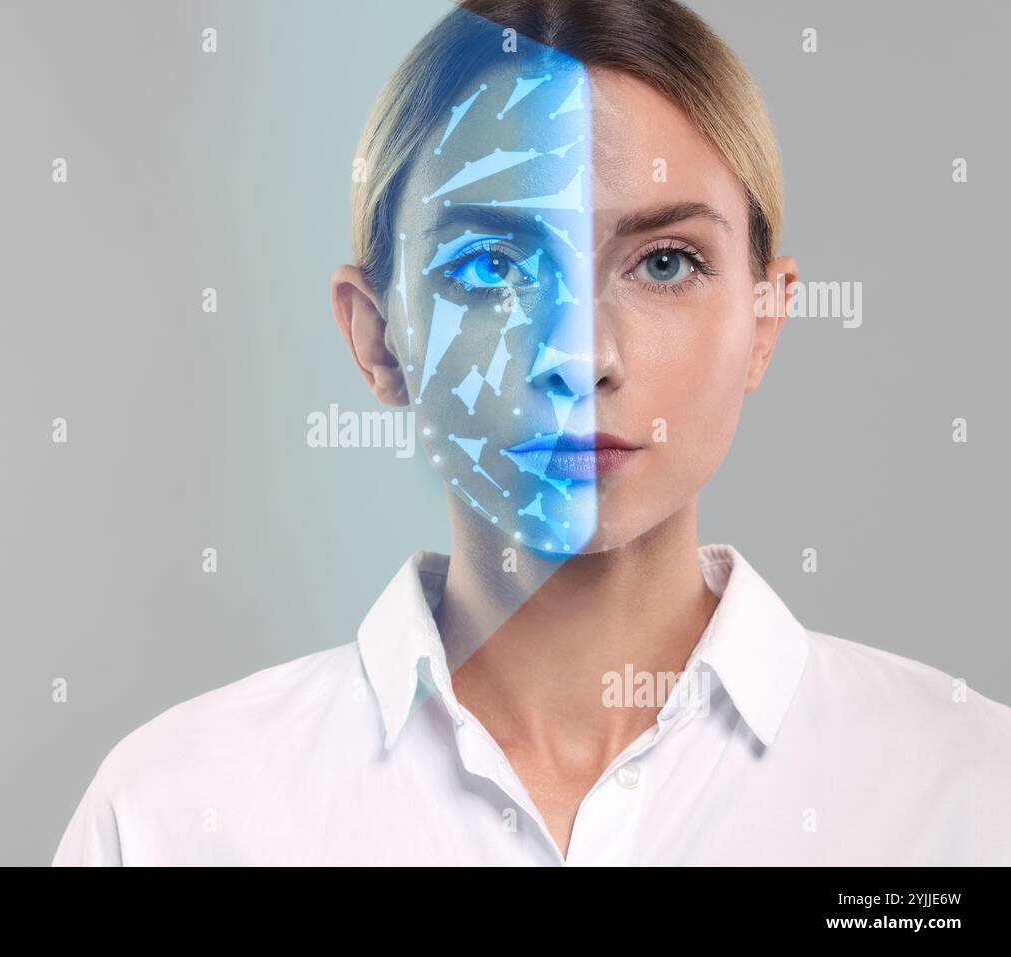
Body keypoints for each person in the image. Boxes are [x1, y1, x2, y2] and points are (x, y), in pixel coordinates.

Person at [54, 0, 1011, 865]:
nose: (579, 351)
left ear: (764, 318)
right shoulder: (175, 816)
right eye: (490, 267)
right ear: (377, 337)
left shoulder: (970, 795)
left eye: (666, 261)